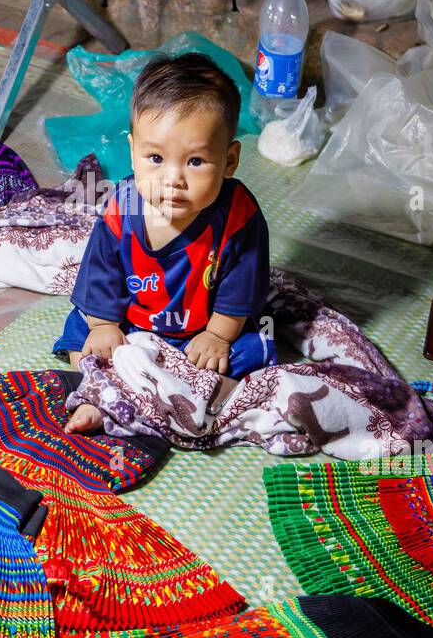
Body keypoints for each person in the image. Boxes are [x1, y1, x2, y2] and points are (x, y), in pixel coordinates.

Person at [54, 52, 275, 433]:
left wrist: (218, 335)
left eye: (195, 162)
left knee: (257, 345)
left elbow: (241, 287)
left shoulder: (240, 217)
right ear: (133, 152)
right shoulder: (120, 209)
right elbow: (100, 278)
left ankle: (200, 396)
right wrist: (104, 325)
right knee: (80, 330)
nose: (172, 178)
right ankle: (100, 390)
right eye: (155, 157)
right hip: (130, 324)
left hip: (200, 333)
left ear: (229, 160)